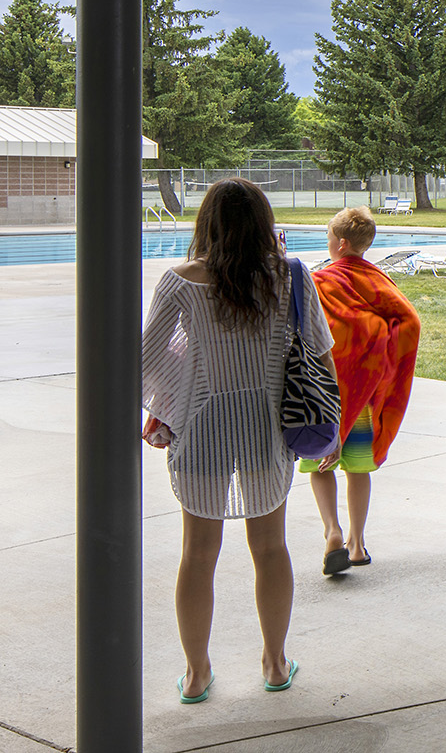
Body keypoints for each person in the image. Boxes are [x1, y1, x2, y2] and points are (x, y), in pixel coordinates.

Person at [141, 178, 332, 701]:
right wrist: (329, 423)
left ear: (208, 224)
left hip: (202, 429)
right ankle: (274, 664)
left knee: (197, 555)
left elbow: (149, 362)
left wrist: (169, 409)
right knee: (270, 547)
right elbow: (318, 352)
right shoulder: (291, 276)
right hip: (267, 429)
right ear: (264, 223)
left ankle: (197, 673)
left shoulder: (179, 281)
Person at [301, 206, 423, 574]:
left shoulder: (320, 280)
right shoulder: (379, 281)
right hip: (366, 394)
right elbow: (409, 322)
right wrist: (381, 359)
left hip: (322, 394)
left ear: (339, 243)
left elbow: (307, 327)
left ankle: (331, 530)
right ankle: (357, 544)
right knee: (358, 469)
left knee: (320, 465)